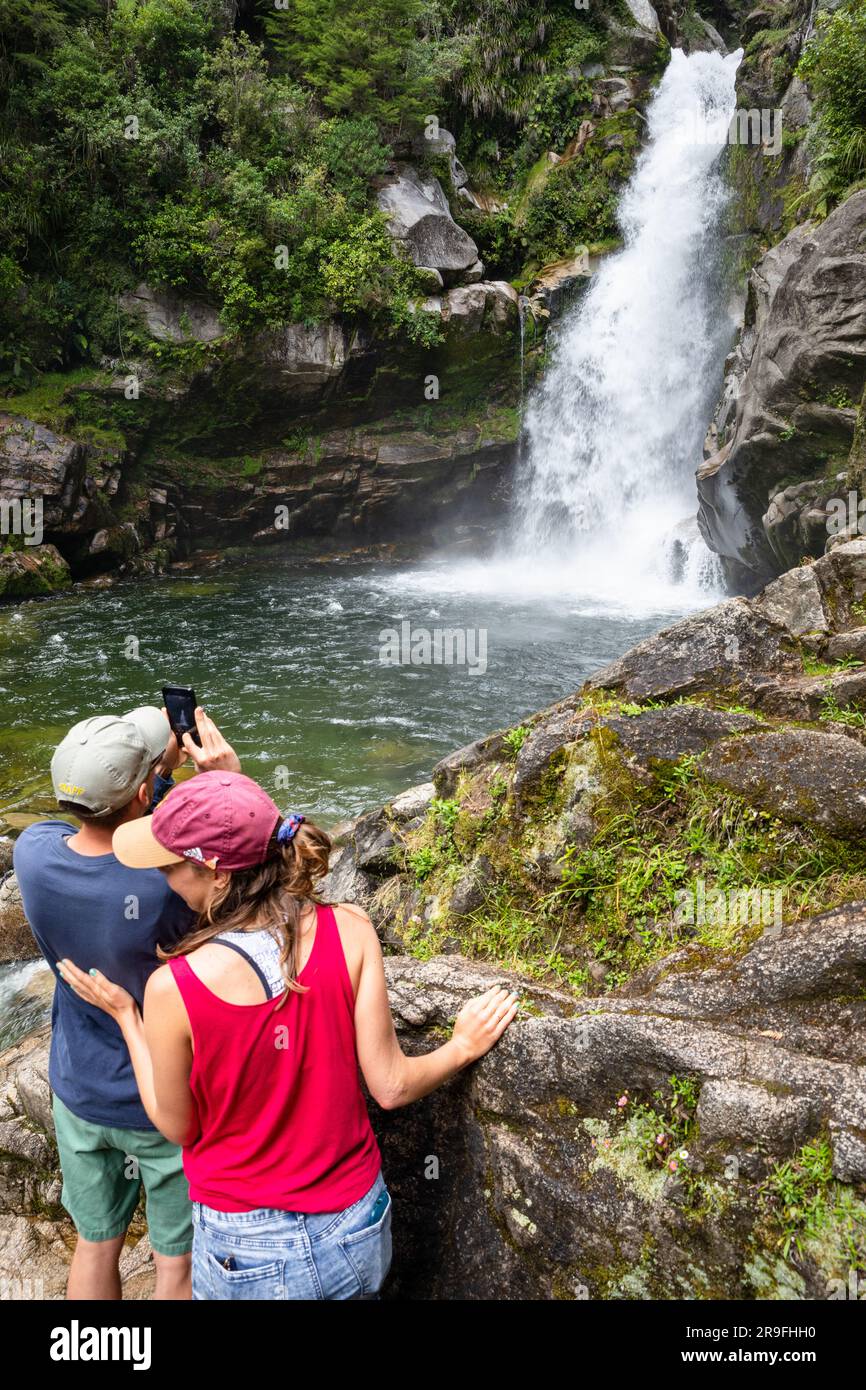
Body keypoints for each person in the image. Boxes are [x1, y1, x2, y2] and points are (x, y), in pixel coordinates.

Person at [58, 769, 520, 1301]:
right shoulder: (351, 927)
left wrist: (128, 1022)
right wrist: (461, 1045)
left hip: (245, 1247)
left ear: (214, 872)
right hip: (357, 1227)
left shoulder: (173, 989)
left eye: (168, 865)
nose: (160, 877)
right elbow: (392, 1086)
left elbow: (177, 1126)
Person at [13, 704, 240, 1300]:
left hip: (80, 1091)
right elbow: (223, 877)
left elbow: (111, 830)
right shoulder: (163, 881)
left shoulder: (33, 854)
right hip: (163, 1096)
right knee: (175, 1264)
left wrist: (151, 778)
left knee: (96, 1243)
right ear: (142, 792)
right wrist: (222, 781)